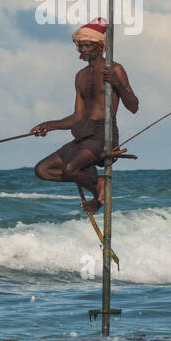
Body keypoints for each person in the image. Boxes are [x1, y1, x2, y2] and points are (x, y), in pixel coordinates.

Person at [30, 18, 139, 214]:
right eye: (80, 45)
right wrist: (49, 125)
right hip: (82, 135)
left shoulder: (114, 69)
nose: (82, 50)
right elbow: (77, 116)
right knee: (42, 170)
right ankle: (98, 184)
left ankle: (98, 194)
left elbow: (134, 106)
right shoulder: (80, 76)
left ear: (100, 46)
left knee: (70, 169)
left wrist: (118, 84)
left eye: (87, 45)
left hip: (103, 134)